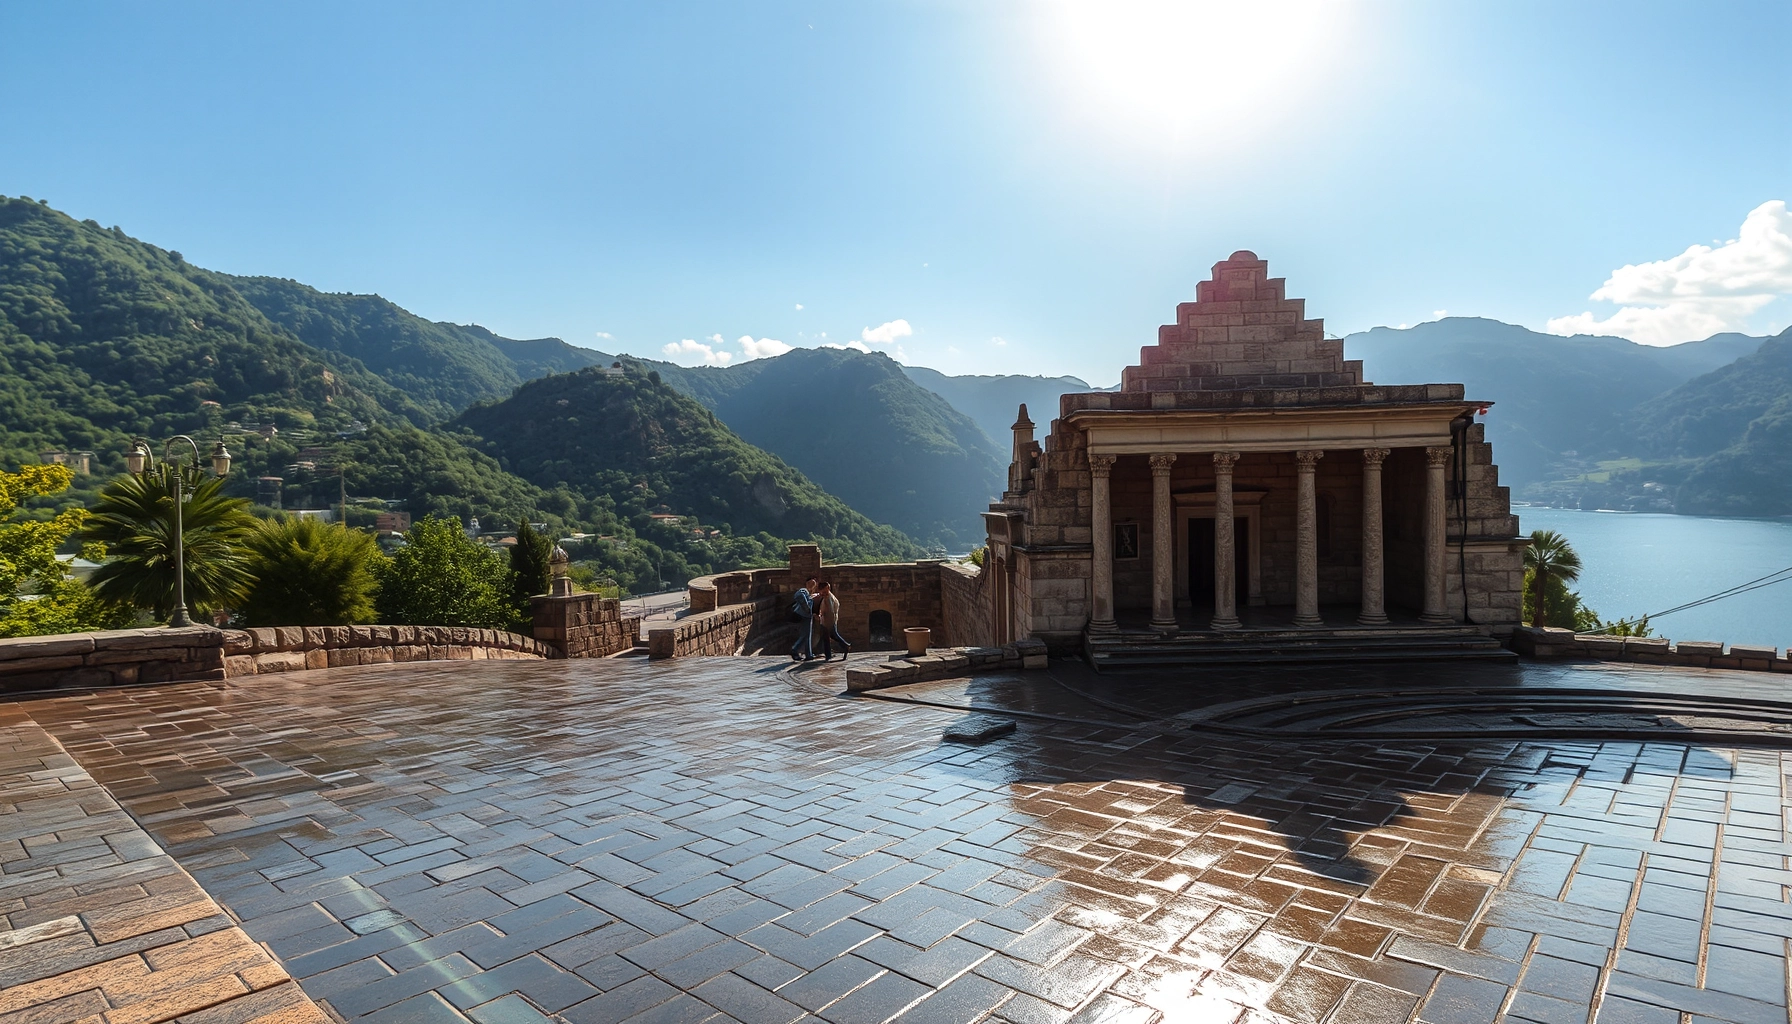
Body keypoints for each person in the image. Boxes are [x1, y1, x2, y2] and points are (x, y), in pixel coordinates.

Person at [814, 580, 851, 661]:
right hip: (828, 620)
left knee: (831, 636)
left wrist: (821, 616)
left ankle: (845, 646)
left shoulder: (828, 598)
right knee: (828, 637)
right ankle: (829, 654)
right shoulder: (829, 597)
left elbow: (830, 611)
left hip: (828, 621)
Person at [789, 576, 818, 661]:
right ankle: (795, 649)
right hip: (805, 615)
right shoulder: (804, 590)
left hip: (808, 616)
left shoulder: (809, 593)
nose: (812, 585)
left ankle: (808, 654)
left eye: (814, 584)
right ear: (807, 583)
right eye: (811, 583)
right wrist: (808, 607)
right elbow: (798, 596)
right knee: (806, 634)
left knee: (807, 635)